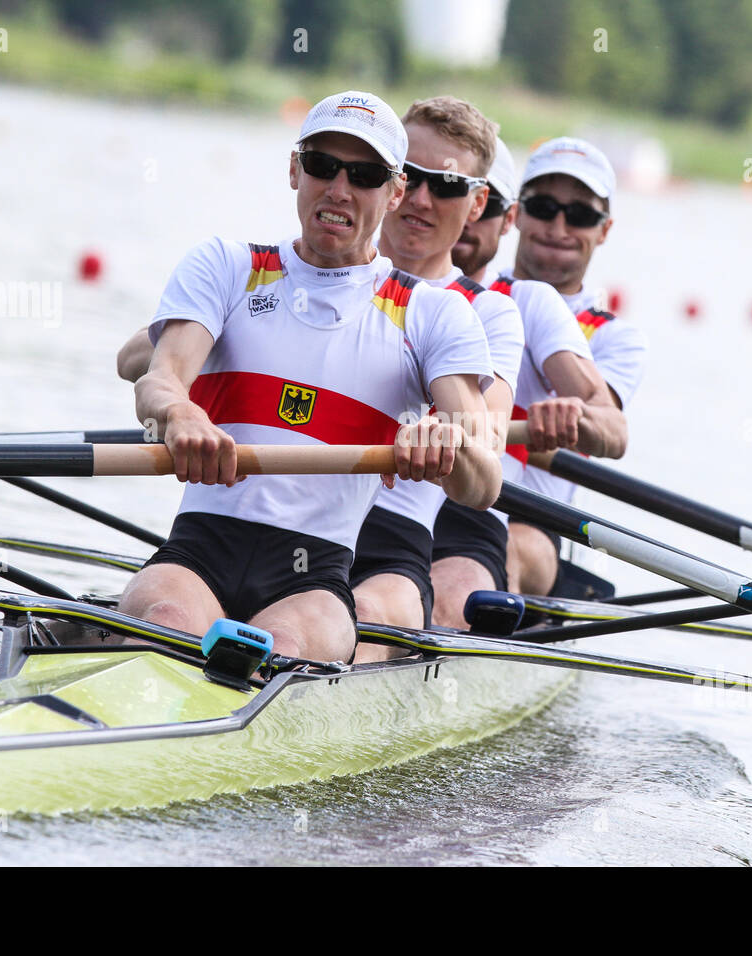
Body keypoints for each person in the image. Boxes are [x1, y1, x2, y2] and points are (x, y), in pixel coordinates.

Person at [116, 90, 501, 664]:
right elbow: (158, 377)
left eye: (366, 175)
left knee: (286, 650)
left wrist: (447, 444)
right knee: (167, 619)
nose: (340, 190)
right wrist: (178, 413)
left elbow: (482, 482)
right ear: (295, 169)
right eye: (323, 165)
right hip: (198, 551)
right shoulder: (227, 266)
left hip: (313, 577)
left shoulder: (432, 312)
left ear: (393, 193)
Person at [348, 99, 524, 651]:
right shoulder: (317, 274)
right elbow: (136, 362)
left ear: (476, 205)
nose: (422, 201)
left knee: (362, 614)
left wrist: (449, 438)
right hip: (275, 513)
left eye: (446, 186)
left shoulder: (488, 312)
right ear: (393, 182)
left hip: (395, 537)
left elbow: (484, 443)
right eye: (413, 179)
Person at [450, 136, 639, 599]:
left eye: (579, 215)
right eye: (543, 207)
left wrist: (574, 418)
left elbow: (611, 431)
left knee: (503, 547)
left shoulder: (614, 337)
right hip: (449, 492)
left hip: (533, 519)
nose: (557, 226)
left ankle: (472, 640)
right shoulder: (466, 296)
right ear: (516, 213)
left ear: (605, 228)